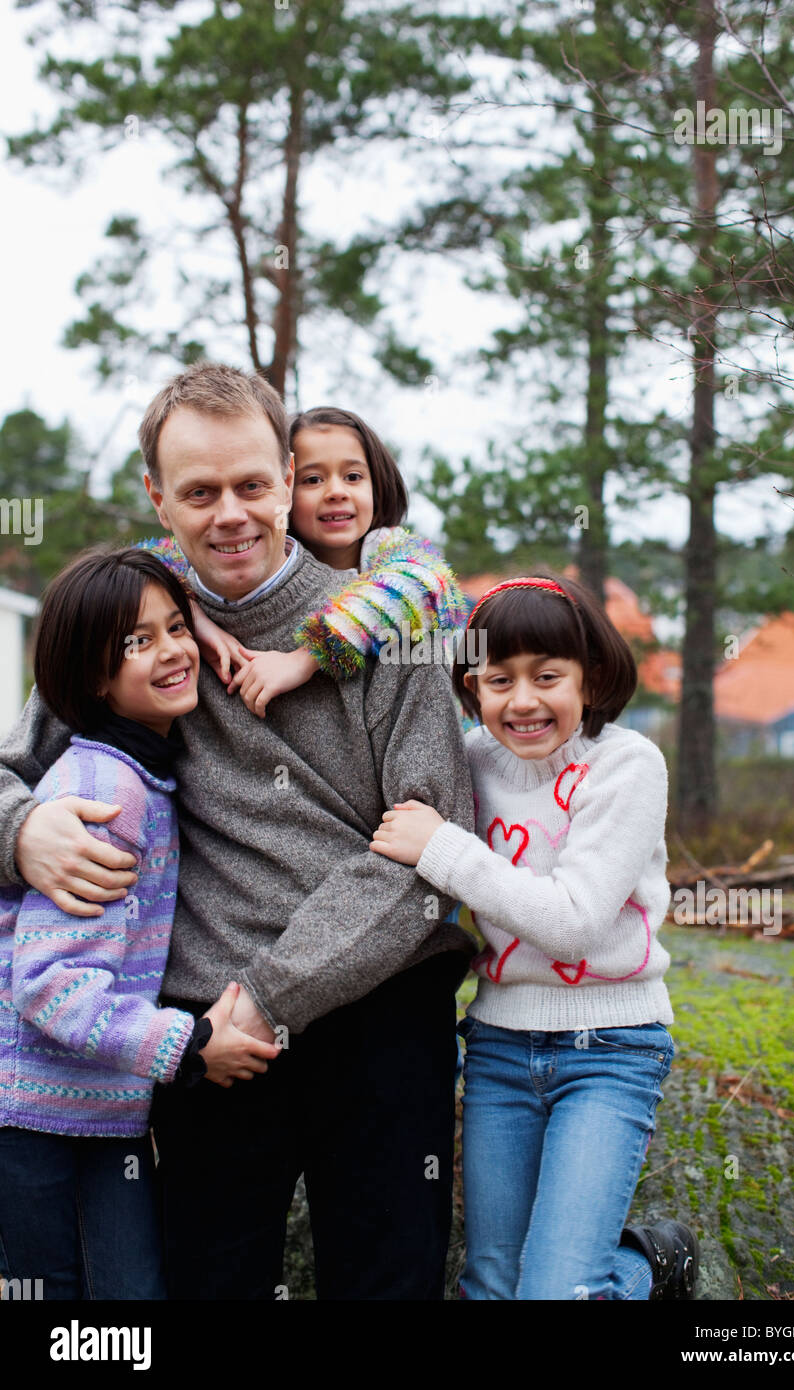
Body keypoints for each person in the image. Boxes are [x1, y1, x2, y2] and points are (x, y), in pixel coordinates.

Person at [0, 362, 475, 1301]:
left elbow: (426, 858)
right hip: (206, 1043)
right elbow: (11, 769)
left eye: (254, 486)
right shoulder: (133, 628)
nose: (231, 515)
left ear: (288, 474)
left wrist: (271, 994)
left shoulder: (384, 626)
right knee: (209, 1282)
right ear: (158, 499)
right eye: (200, 492)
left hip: (377, 1012)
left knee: (387, 1280)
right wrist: (20, 832)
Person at [371, 574, 700, 1300]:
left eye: (548, 676)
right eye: (499, 680)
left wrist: (443, 848)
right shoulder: (471, 760)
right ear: (472, 688)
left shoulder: (625, 765)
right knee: (492, 1285)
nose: (523, 700)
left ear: (593, 677)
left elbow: (575, 923)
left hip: (612, 1052)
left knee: (552, 1293)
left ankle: (647, 1269)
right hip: (497, 1047)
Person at [0, 548, 277, 1301]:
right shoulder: (105, 789)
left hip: (96, 1116)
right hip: (34, 1121)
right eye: (136, 642)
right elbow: (51, 988)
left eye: (176, 628)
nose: (171, 651)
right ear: (91, 677)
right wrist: (190, 1047)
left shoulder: (141, 772)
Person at [139, 404, 467, 716]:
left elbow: (430, 587)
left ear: (376, 485)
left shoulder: (389, 548)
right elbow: (151, 564)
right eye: (313, 480)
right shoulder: (269, 561)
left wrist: (305, 658)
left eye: (353, 477)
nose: (336, 491)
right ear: (286, 487)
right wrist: (194, 618)